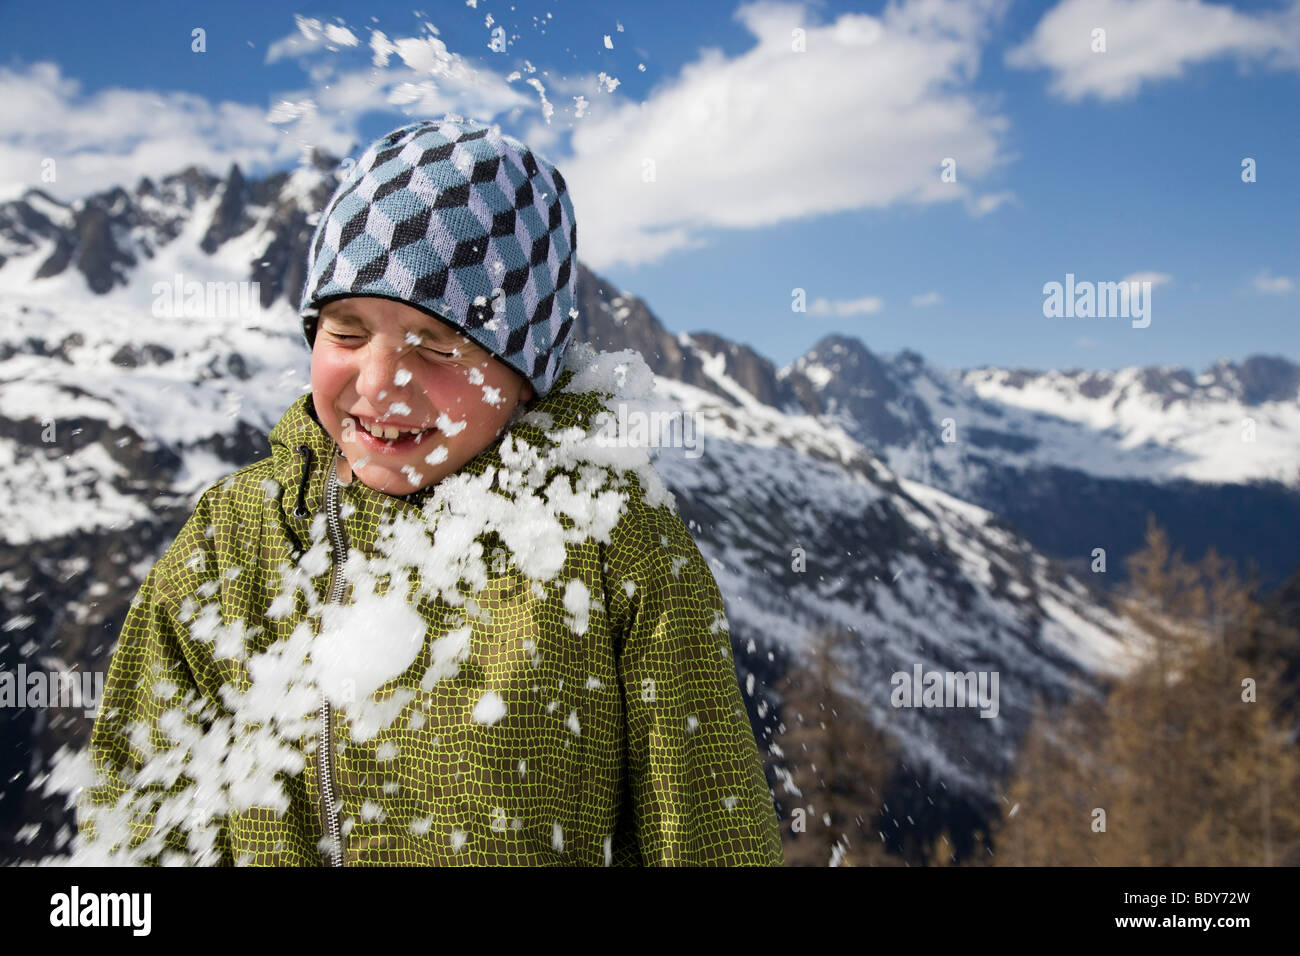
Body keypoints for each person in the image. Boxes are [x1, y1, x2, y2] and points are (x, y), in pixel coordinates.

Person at [75, 118, 785, 866]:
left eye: (439, 345)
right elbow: (135, 826)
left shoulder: (611, 544)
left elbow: (712, 832)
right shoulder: (234, 538)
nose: (380, 384)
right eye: (346, 335)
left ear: (525, 374)